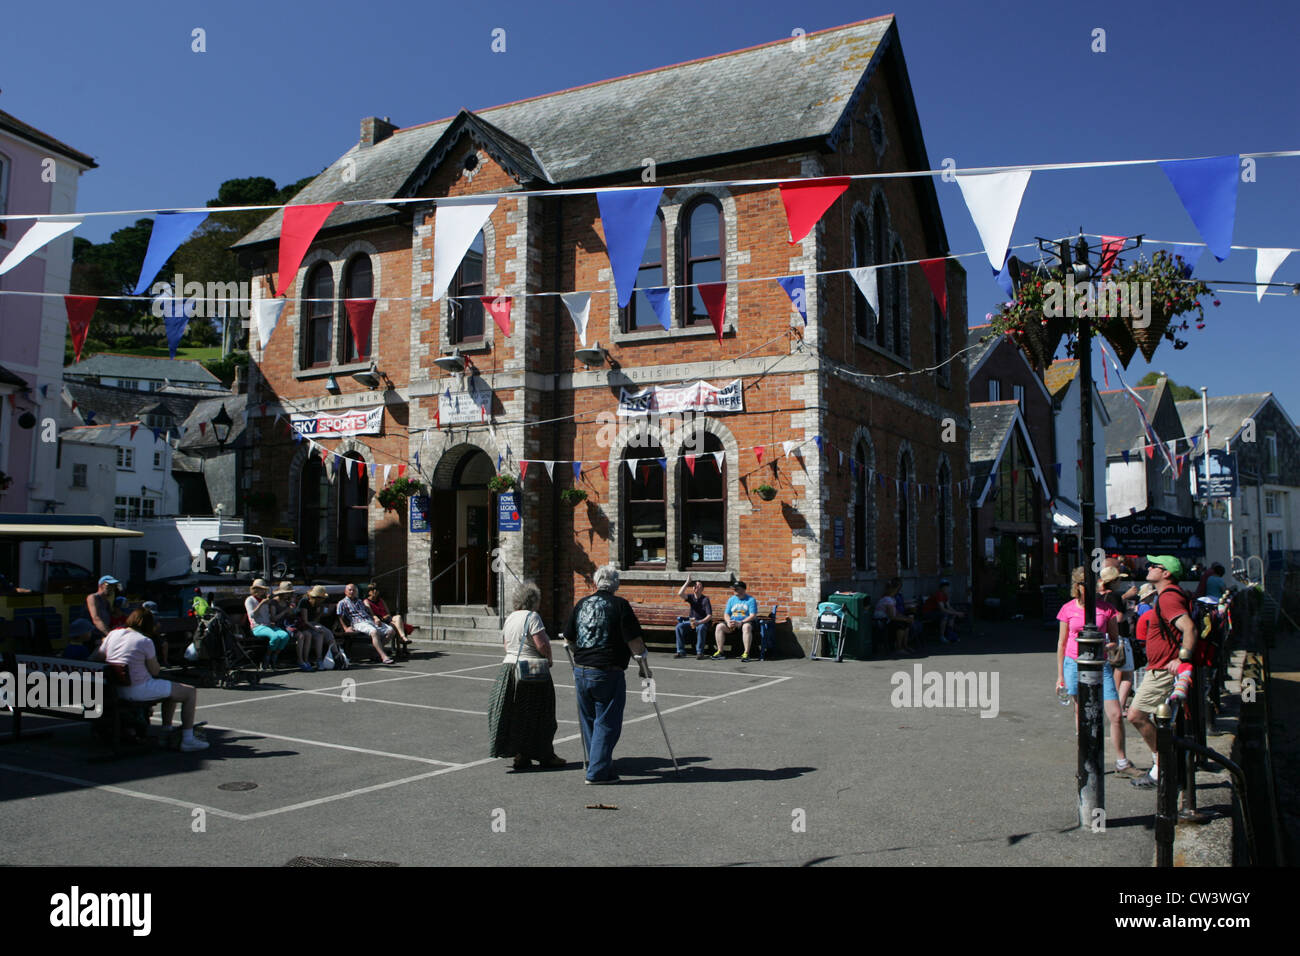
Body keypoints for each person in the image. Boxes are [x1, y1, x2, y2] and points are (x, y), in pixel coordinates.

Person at [562, 565, 648, 785]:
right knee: (608, 722)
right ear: (616, 584)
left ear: (596, 583)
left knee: (590, 720)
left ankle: (599, 763)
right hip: (607, 670)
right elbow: (635, 642)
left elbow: (569, 638)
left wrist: (581, 655)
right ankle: (597, 772)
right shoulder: (620, 605)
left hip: (582, 669)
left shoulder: (582, 604)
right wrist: (644, 668)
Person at [1055, 567, 1141, 778]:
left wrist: (1103, 646)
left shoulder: (1106, 609)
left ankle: (1121, 761)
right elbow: (1062, 643)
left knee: (1114, 714)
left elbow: (1114, 639)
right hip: (1073, 663)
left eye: (1092, 583)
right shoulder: (1067, 609)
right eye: (1085, 584)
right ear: (1077, 587)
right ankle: (1086, 759)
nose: (1089, 588)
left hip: (1100, 664)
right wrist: (1060, 676)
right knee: (1080, 713)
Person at [92, 607, 208, 752]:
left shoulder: (113, 634)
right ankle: (188, 740)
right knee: (189, 692)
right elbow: (155, 671)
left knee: (172, 689)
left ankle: (166, 733)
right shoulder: (145, 641)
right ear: (148, 625)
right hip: (137, 689)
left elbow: (98, 658)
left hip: (115, 689)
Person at [1127, 555, 1198, 790]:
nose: (1148, 568)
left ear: (1166, 573)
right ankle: (1164, 765)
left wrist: (1181, 657)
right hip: (1159, 667)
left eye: (1154, 566)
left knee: (1136, 715)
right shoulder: (1168, 596)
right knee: (1159, 718)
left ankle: (1162, 766)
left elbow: (1189, 628)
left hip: (1163, 669)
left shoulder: (1168, 598)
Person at [487, 581, 566, 771]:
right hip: (531, 670)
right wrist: (549, 658)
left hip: (509, 670)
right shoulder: (533, 617)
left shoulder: (510, 618)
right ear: (533, 600)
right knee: (542, 714)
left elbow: (507, 645)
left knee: (517, 715)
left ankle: (520, 755)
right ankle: (546, 755)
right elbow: (542, 644)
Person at [1098, 566, 1134, 710]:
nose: (1120, 582)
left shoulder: (1099, 596)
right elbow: (1118, 617)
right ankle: (1119, 704)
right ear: (1113, 581)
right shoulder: (1115, 596)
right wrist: (1129, 613)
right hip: (1119, 636)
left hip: (1104, 635)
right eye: (1119, 579)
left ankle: (1112, 703)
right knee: (1126, 673)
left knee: (1112, 670)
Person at [337, 582, 396, 664]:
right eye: (350, 590)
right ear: (345, 592)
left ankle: (375, 652)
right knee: (374, 632)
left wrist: (375, 618)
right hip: (358, 623)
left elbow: (368, 612)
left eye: (354, 590)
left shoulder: (360, 601)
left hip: (369, 620)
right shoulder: (342, 603)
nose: (352, 592)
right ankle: (384, 656)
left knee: (391, 631)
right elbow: (340, 617)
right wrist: (345, 628)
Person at [245, 579, 291, 668]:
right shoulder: (250, 600)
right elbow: (252, 615)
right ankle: (267, 658)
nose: (263, 591)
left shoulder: (265, 599)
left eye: (263, 589)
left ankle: (275, 656)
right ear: (255, 589)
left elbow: (268, 615)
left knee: (285, 636)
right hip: (257, 626)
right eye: (260, 589)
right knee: (275, 637)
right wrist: (261, 604)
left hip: (268, 625)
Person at [364, 583, 414, 659]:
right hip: (378, 621)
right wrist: (381, 618)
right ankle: (401, 645)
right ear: (368, 592)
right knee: (396, 625)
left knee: (398, 617)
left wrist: (387, 616)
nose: (375, 591)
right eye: (372, 590)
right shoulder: (366, 601)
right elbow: (372, 614)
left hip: (387, 619)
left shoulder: (381, 600)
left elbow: (388, 612)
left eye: (376, 590)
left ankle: (402, 638)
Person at [713, 580, 758, 661]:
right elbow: (726, 614)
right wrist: (728, 621)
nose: (734, 591)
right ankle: (720, 651)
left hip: (744, 623)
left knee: (746, 627)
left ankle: (746, 653)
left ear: (743, 590)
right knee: (719, 626)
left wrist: (741, 622)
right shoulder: (731, 599)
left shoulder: (751, 600)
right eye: (734, 589)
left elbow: (752, 615)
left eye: (737, 589)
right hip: (733, 623)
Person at [295, 585, 333, 671]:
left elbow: (314, 620)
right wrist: (315, 628)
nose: (323, 600)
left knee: (324, 633)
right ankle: (308, 660)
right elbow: (305, 620)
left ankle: (323, 658)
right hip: (302, 625)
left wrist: (320, 613)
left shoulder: (317, 604)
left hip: (311, 624)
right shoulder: (304, 601)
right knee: (315, 633)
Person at [675, 579, 713, 659]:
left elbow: (709, 616)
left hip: (702, 622)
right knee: (679, 626)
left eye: (699, 585)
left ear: (702, 589)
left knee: (701, 628)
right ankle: (681, 652)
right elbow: (680, 593)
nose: (696, 587)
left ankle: (700, 652)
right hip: (691, 621)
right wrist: (687, 582)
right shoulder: (691, 597)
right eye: (695, 585)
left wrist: (699, 622)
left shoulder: (705, 599)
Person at [875, 577, 915, 655]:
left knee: (907, 624)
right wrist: (904, 619)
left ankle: (905, 646)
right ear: (894, 590)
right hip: (882, 621)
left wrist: (906, 618)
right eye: (897, 589)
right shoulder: (887, 600)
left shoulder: (892, 599)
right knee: (901, 625)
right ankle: (898, 648)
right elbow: (892, 617)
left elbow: (896, 613)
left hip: (887, 620)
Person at [921, 579, 965, 644]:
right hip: (927, 613)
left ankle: (949, 633)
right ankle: (942, 636)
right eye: (944, 586)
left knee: (952, 615)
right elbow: (943, 609)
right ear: (941, 587)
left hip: (935, 612)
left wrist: (958, 613)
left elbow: (949, 607)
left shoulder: (945, 595)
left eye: (947, 586)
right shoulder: (939, 594)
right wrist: (957, 613)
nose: (946, 588)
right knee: (944, 615)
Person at [86, 575, 117, 643]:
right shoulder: (92, 597)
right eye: (109, 585)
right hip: (91, 636)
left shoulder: (107, 602)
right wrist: (110, 635)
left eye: (114, 585)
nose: (112, 588)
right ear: (101, 585)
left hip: (103, 635)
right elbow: (96, 618)